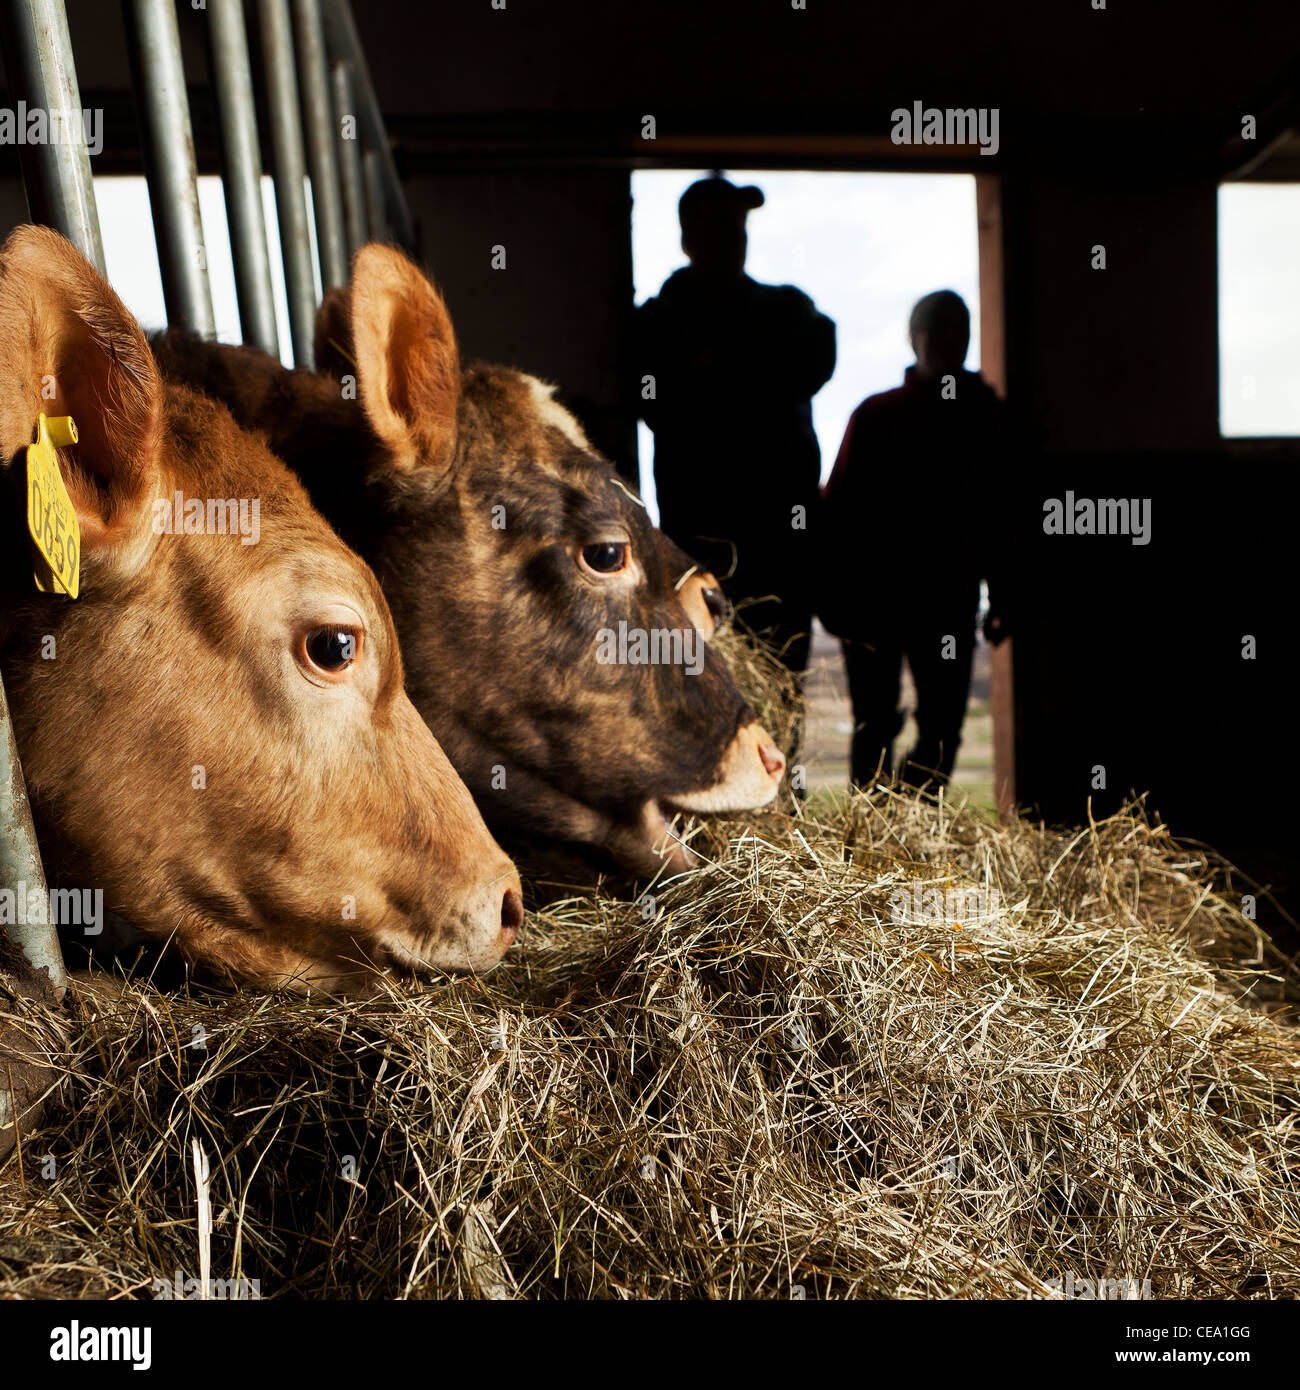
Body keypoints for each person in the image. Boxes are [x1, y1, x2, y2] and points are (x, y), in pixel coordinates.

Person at [636, 175, 836, 672]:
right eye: (720, 230)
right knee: (706, 682)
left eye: (738, 230)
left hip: (779, 553)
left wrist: (713, 372)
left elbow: (817, 352)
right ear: (688, 241)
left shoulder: (785, 309)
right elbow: (657, 402)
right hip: (704, 553)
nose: (734, 242)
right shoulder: (661, 324)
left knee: (779, 683)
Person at [819, 289, 1005, 789]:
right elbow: (837, 512)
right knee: (876, 725)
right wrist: (833, 596)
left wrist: (1003, 592)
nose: (949, 341)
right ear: (915, 339)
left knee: (941, 731)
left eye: (958, 330)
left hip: (945, 598)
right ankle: (874, 841)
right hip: (875, 601)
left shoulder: (987, 420)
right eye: (937, 329)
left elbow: (1001, 514)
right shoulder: (878, 416)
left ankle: (908, 829)